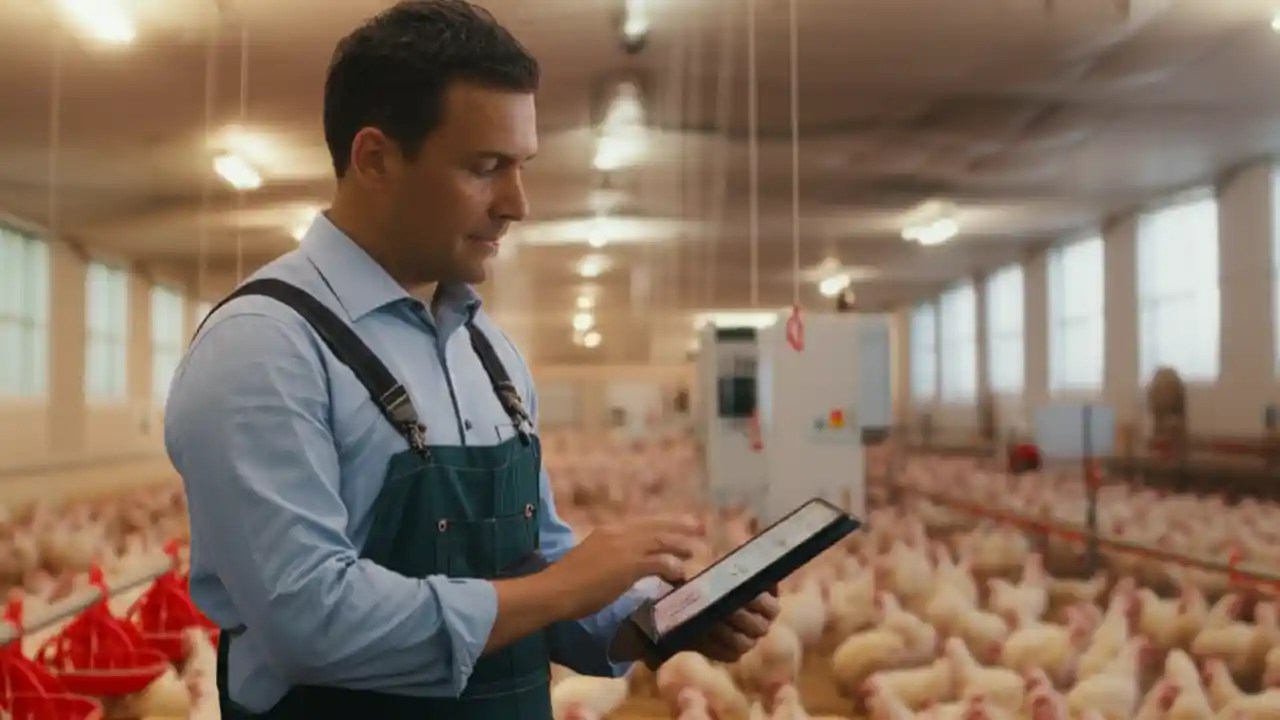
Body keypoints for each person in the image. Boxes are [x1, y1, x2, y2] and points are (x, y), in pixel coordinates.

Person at [163, 2, 779, 718]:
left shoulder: (490, 354)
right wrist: (565, 586)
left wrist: (655, 625)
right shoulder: (264, 348)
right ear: (375, 159)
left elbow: (533, 566)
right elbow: (310, 621)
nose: (517, 203)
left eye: (521, 167)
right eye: (485, 168)